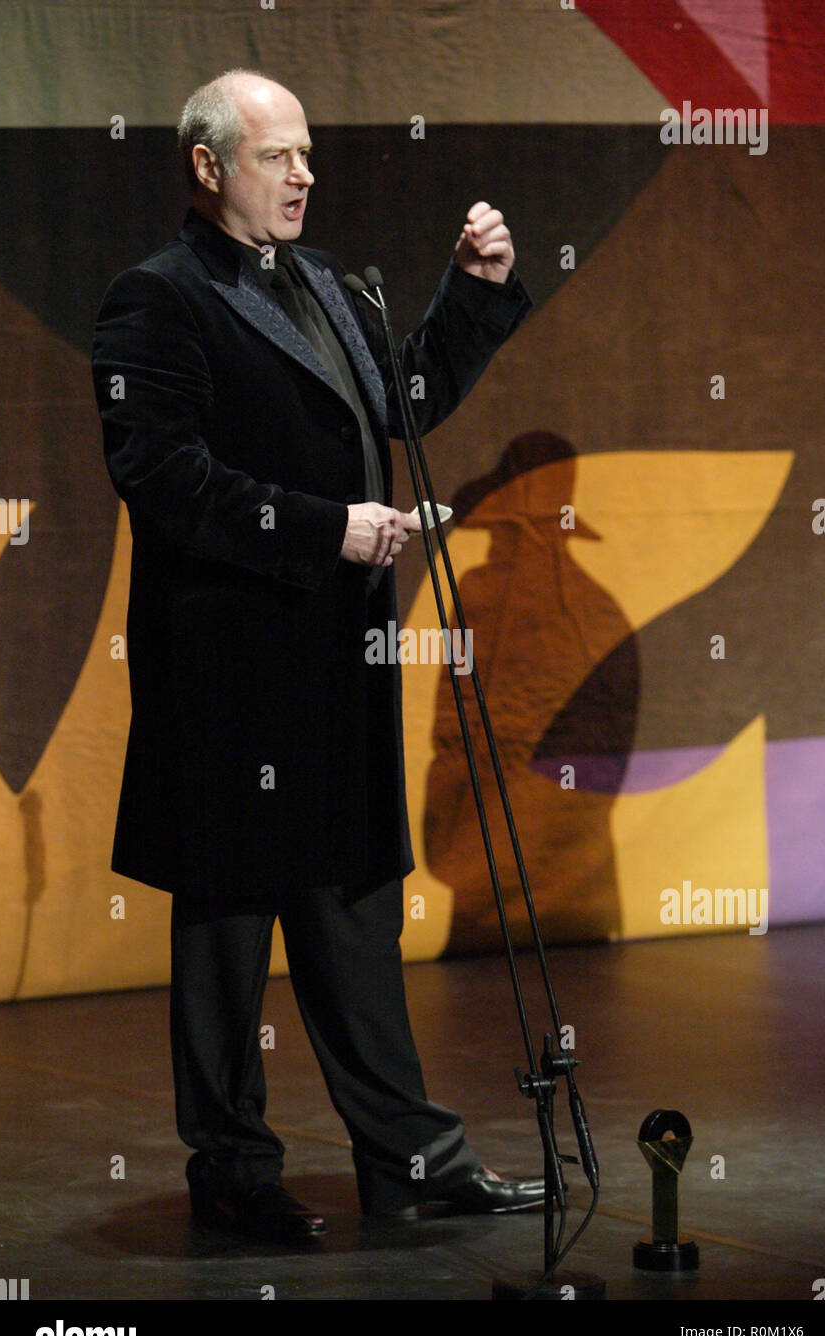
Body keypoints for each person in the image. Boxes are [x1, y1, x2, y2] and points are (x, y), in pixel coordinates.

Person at [91, 69, 541, 1242]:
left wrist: (472, 295)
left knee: (352, 908)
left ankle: (411, 1158)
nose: (301, 174)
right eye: (273, 155)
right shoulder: (155, 300)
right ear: (206, 166)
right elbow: (161, 476)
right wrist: (325, 526)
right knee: (230, 929)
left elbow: (404, 399)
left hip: (337, 656)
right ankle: (233, 1174)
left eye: (305, 154)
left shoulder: (331, 283)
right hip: (230, 674)